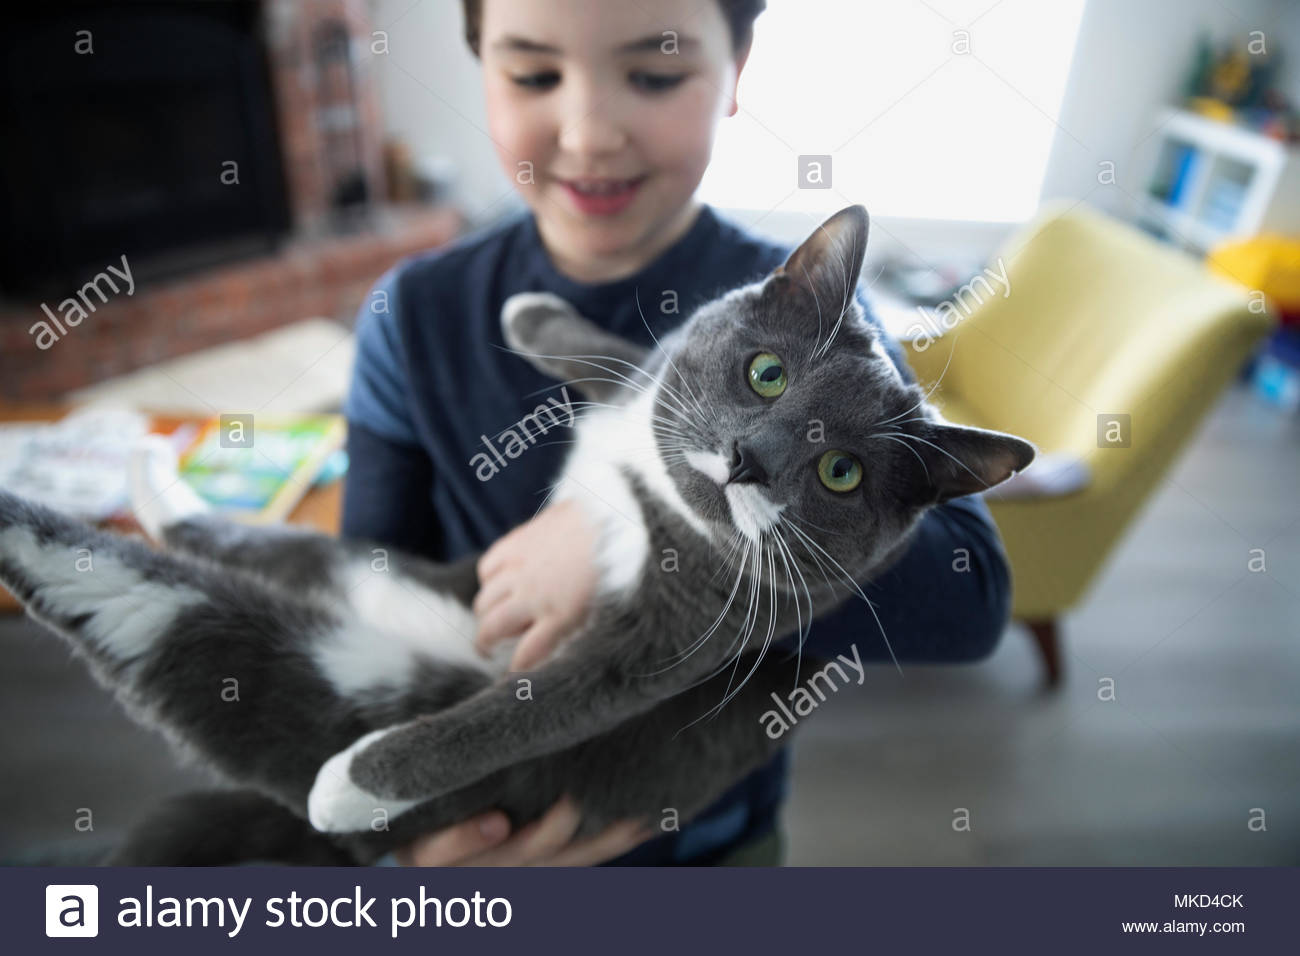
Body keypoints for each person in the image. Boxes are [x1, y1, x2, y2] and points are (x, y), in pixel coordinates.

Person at [342, 0, 1013, 866]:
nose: (588, 135)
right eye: (534, 74)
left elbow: (973, 598)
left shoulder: (811, 313)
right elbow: (365, 576)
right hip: (461, 821)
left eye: (654, 75)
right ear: (478, 59)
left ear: (738, 66)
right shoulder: (414, 315)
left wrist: (611, 534)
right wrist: (401, 846)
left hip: (706, 842)